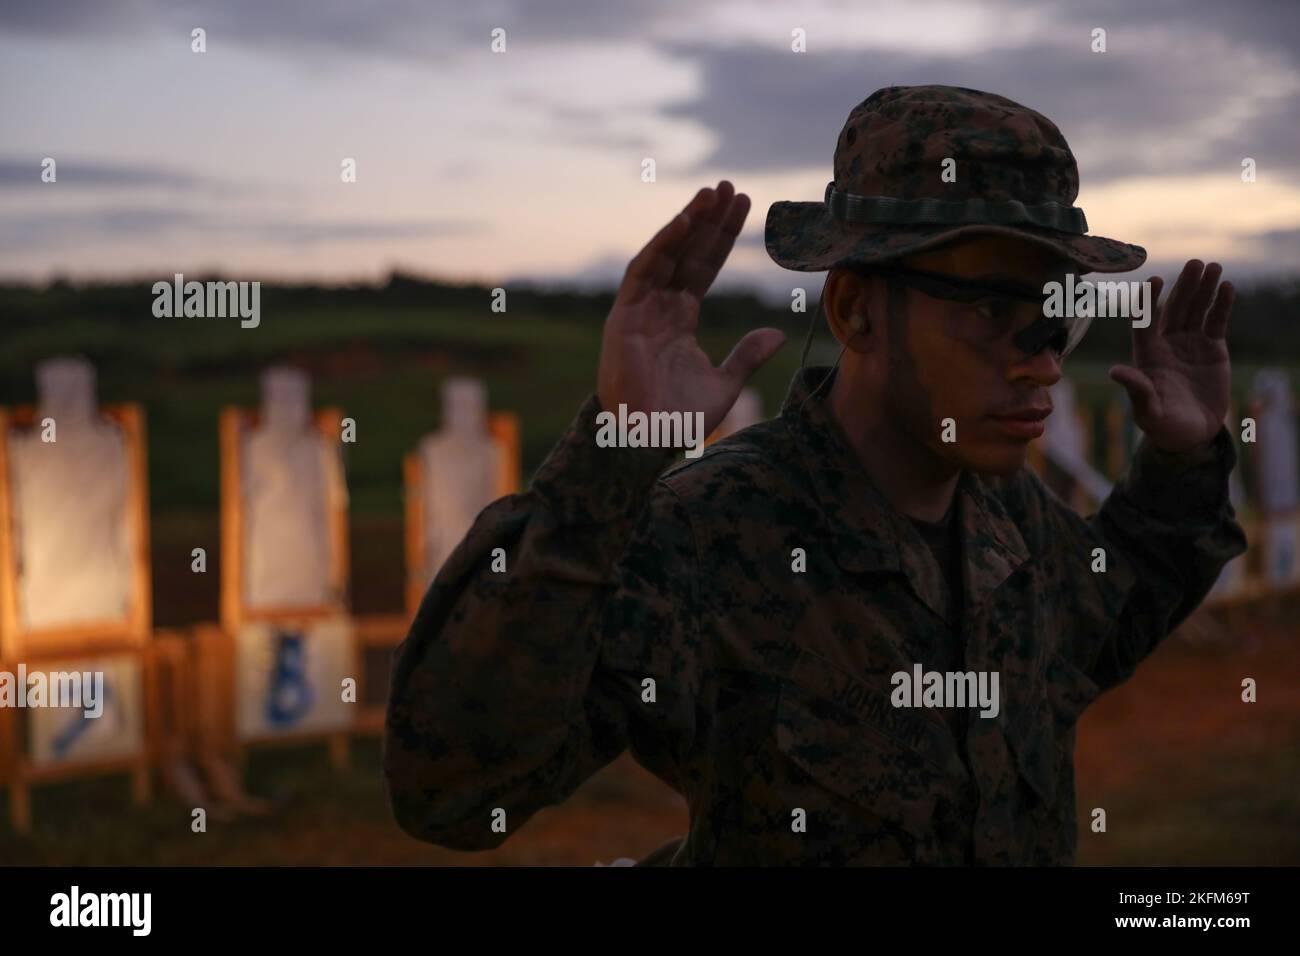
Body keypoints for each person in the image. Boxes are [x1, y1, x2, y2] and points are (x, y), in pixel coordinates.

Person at [383, 85, 1248, 864]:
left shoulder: (1005, 517)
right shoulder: (716, 532)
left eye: (1057, 318)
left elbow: (1101, 628)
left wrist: (1181, 465)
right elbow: (457, 795)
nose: (1043, 366)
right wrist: (606, 466)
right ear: (854, 310)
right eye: (992, 311)